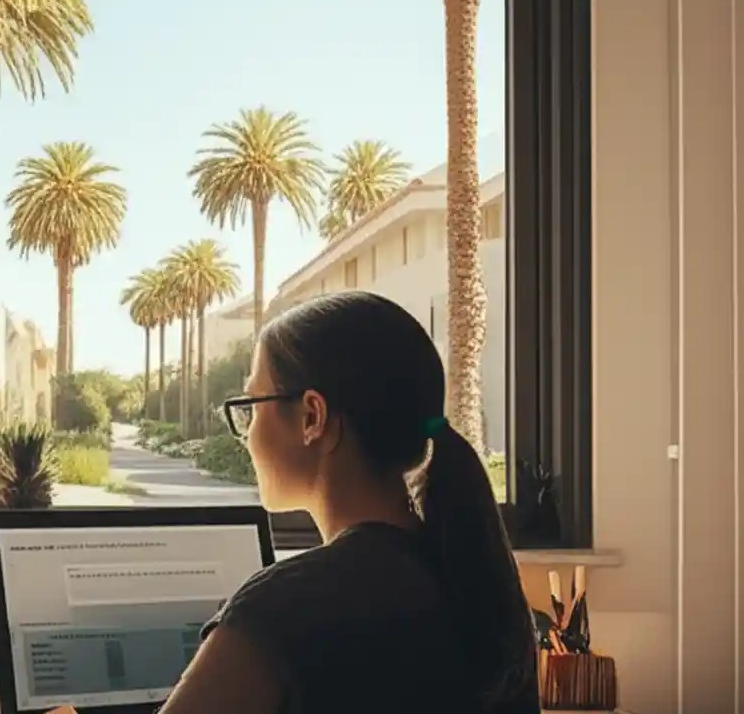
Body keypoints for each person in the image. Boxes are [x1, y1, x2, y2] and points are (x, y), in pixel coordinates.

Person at [158, 291, 539, 714]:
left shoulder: (279, 610)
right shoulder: (478, 588)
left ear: (312, 417)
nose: (246, 434)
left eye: (251, 406)